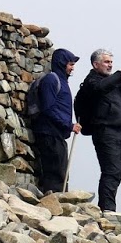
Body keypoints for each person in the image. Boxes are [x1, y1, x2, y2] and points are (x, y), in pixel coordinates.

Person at [74, 49, 121, 212]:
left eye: (111, 62)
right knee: (111, 170)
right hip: (104, 131)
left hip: (120, 131)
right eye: (106, 62)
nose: (110, 65)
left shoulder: (113, 81)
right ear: (96, 64)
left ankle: (108, 206)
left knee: (118, 171)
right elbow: (101, 88)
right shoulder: (92, 81)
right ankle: (107, 208)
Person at [30, 48, 80, 193]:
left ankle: (58, 202)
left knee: (61, 172)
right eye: (70, 64)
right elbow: (48, 108)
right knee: (56, 172)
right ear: (61, 63)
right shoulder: (52, 80)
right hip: (49, 133)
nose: (72, 68)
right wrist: (69, 125)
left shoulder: (61, 81)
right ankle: (55, 204)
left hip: (56, 134)